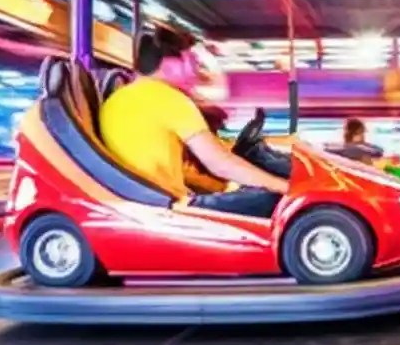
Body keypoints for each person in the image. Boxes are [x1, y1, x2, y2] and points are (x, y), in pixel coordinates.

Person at [99, 26, 290, 218]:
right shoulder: (167, 98)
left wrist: (225, 186)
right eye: (192, 63)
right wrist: (285, 187)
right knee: (274, 199)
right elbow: (220, 163)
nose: (196, 73)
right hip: (168, 209)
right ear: (170, 64)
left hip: (146, 201)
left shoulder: (120, 97)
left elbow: (186, 168)